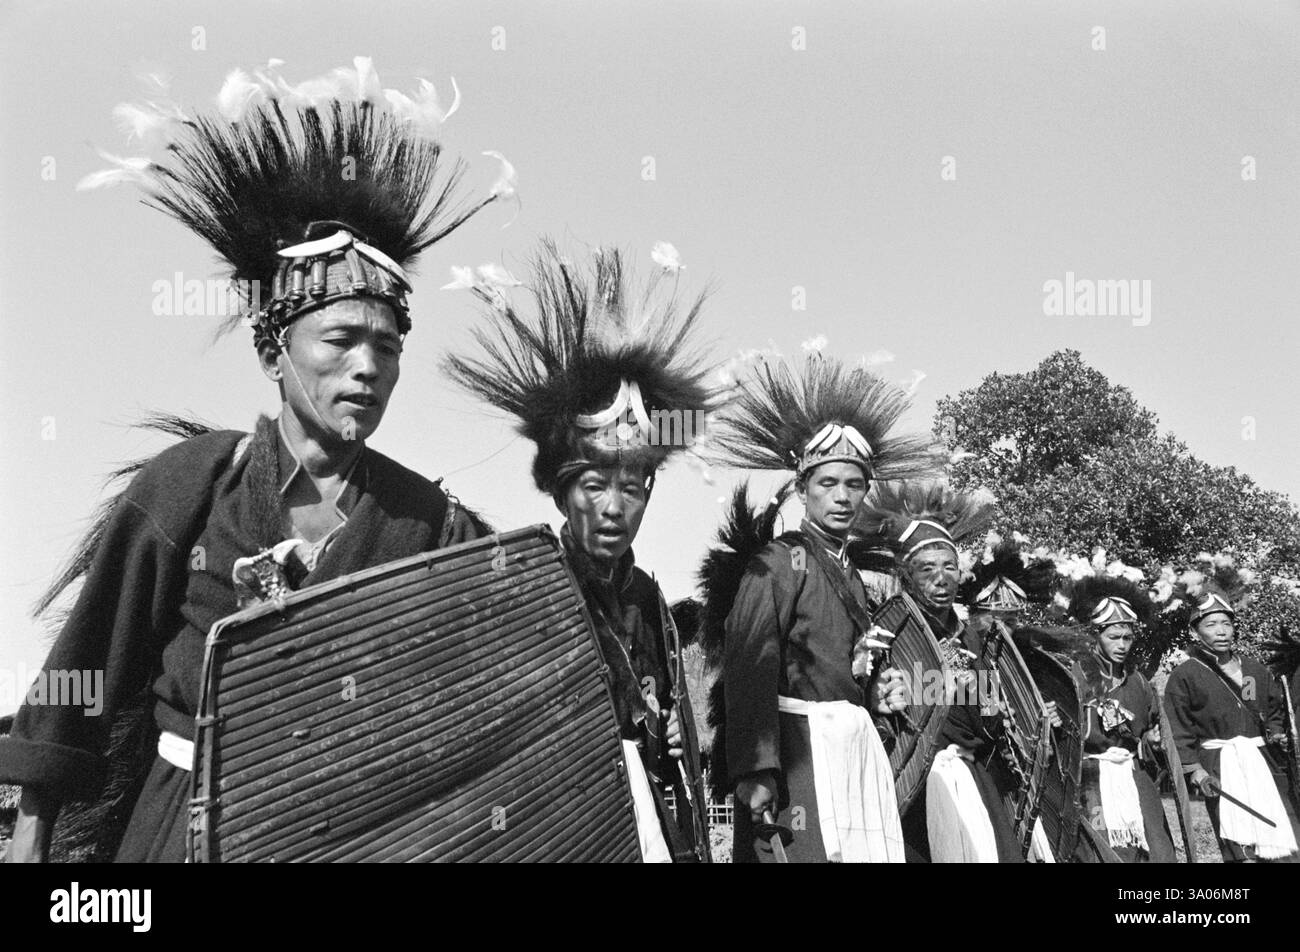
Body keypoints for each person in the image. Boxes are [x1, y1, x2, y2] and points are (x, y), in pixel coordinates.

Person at [0, 59, 506, 863]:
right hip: (182, 833)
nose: (367, 367)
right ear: (275, 350)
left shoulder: (431, 522)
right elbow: (84, 670)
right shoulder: (193, 486)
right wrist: (30, 843)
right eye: (341, 341)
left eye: (387, 346)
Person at [443, 241, 719, 862]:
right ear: (561, 492)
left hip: (644, 810)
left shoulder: (646, 594)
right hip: (558, 816)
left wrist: (671, 732)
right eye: (594, 486)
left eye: (631, 488)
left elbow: (661, 697)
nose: (614, 508)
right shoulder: (531, 582)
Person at [703, 353, 940, 863]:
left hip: (852, 755)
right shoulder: (779, 562)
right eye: (827, 484)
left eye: (854, 485)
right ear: (801, 489)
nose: (841, 497)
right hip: (798, 757)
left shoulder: (853, 577)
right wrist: (755, 767)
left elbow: (838, 672)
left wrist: (875, 693)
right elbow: (748, 662)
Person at [856, 482, 1026, 862]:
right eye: (927, 568)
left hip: (976, 784)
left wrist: (996, 707)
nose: (941, 577)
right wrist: (877, 704)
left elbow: (991, 722)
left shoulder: (977, 642)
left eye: (949, 566)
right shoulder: (886, 637)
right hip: (913, 788)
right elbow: (874, 719)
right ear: (906, 576)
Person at [1165, 585, 1300, 862]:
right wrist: (1195, 771)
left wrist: (1276, 734)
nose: (1222, 631)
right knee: (1240, 844)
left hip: (1264, 762)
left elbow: (1273, 711)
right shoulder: (1186, 675)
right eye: (1212, 624)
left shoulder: (1253, 670)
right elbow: (1178, 728)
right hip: (1220, 765)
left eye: (1226, 623)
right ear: (1194, 632)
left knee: (1284, 832)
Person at [1061, 575, 1177, 862]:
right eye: (1113, 637)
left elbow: (1148, 734)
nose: (1122, 644)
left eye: (1127, 637)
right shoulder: (1075, 676)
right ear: (1095, 636)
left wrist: (1151, 741)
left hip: (1133, 775)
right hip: (1090, 778)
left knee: (1156, 849)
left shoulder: (1138, 682)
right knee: (1100, 851)